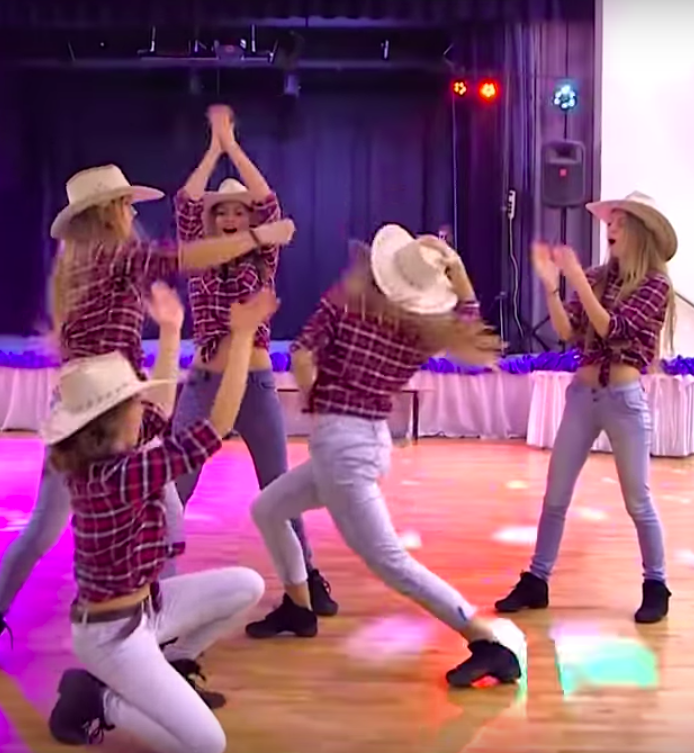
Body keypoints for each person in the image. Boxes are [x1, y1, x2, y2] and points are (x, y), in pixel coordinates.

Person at [0, 164, 295, 672]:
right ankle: (166, 648)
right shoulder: (114, 255)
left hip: (90, 406)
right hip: (107, 411)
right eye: (125, 203)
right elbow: (185, 256)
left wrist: (167, 336)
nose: (133, 211)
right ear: (109, 212)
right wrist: (259, 234)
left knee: (52, 527)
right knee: (153, 518)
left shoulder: (75, 263)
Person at [246, 225, 524, 688]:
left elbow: (301, 354)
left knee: (389, 561)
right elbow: (470, 317)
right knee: (267, 509)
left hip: (344, 449)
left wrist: (315, 390)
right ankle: (299, 606)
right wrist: (456, 268)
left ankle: (485, 642)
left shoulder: (343, 305)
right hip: (364, 443)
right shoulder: (419, 330)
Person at [45, 288, 277, 753]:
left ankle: (173, 660)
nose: (142, 407)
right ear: (111, 423)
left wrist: (171, 330)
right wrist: (245, 337)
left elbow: (163, 410)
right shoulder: (118, 474)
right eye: (133, 403)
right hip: (112, 639)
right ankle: (100, 699)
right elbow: (214, 428)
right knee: (206, 745)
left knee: (246, 586)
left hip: (147, 610)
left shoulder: (109, 452)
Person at [171, 104, 338, 617]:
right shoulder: (197, 250)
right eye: (221, 211)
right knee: (175, 484)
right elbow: (184, 201)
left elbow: (268, 201)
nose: (228, 216)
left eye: (237, 212)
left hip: (257, 382)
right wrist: (213, 146)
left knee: (277, 488)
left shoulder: (264, 255)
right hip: (204, 381)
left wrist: (234, 146)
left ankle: (308, 582)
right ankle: (157, 580)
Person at [495, 191, 676, 624]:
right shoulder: (594, 276)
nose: (609, 230)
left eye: (618, 224)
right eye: (609, 223)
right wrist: (552, 287)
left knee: (638, 500)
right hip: (582, 396)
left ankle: (656, 584)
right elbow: (567, 331)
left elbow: (614, 330)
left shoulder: (655, 285)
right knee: (555, 495)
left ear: (640, 233)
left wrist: (576, 280)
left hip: (624, 402)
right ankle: (536, 580)